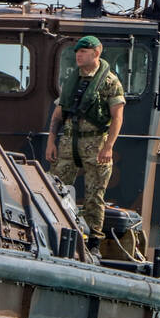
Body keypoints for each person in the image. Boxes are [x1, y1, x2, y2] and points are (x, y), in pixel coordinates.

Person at [45, 35, 125, 251]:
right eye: (77, 52)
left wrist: (108, 147)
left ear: (96, 53)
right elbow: (58, 114)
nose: (78, 55)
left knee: (94, 196)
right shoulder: (72, 80)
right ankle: (53, 231)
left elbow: (117, 117)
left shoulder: (110, 82)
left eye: (84, 51)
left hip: (96, 143)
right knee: (54, 188)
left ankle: (93, 243)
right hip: (69, 142)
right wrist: (51, 141)